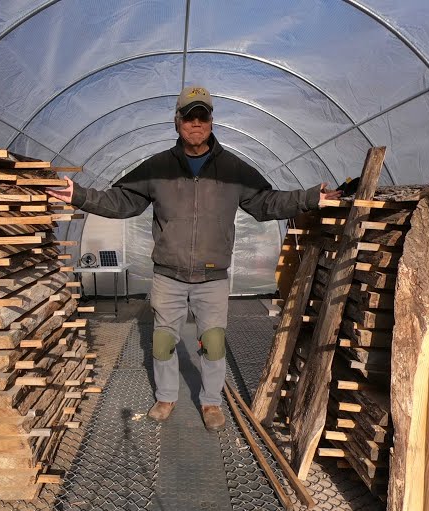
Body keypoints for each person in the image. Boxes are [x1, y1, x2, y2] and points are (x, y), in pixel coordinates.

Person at [47, 86, 340, 431]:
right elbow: (123, 201)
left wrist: (310, 198)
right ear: (177, 121)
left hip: (212, 277)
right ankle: (166, 396)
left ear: (212, 121)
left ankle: (211, 402)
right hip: (168, 275)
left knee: (213, 343)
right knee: (162, 341)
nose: (196, 123)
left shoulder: (232, 169)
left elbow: (266, 202)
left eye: (202, 116)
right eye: (189, 117)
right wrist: (78, 195)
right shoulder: (157, 167)